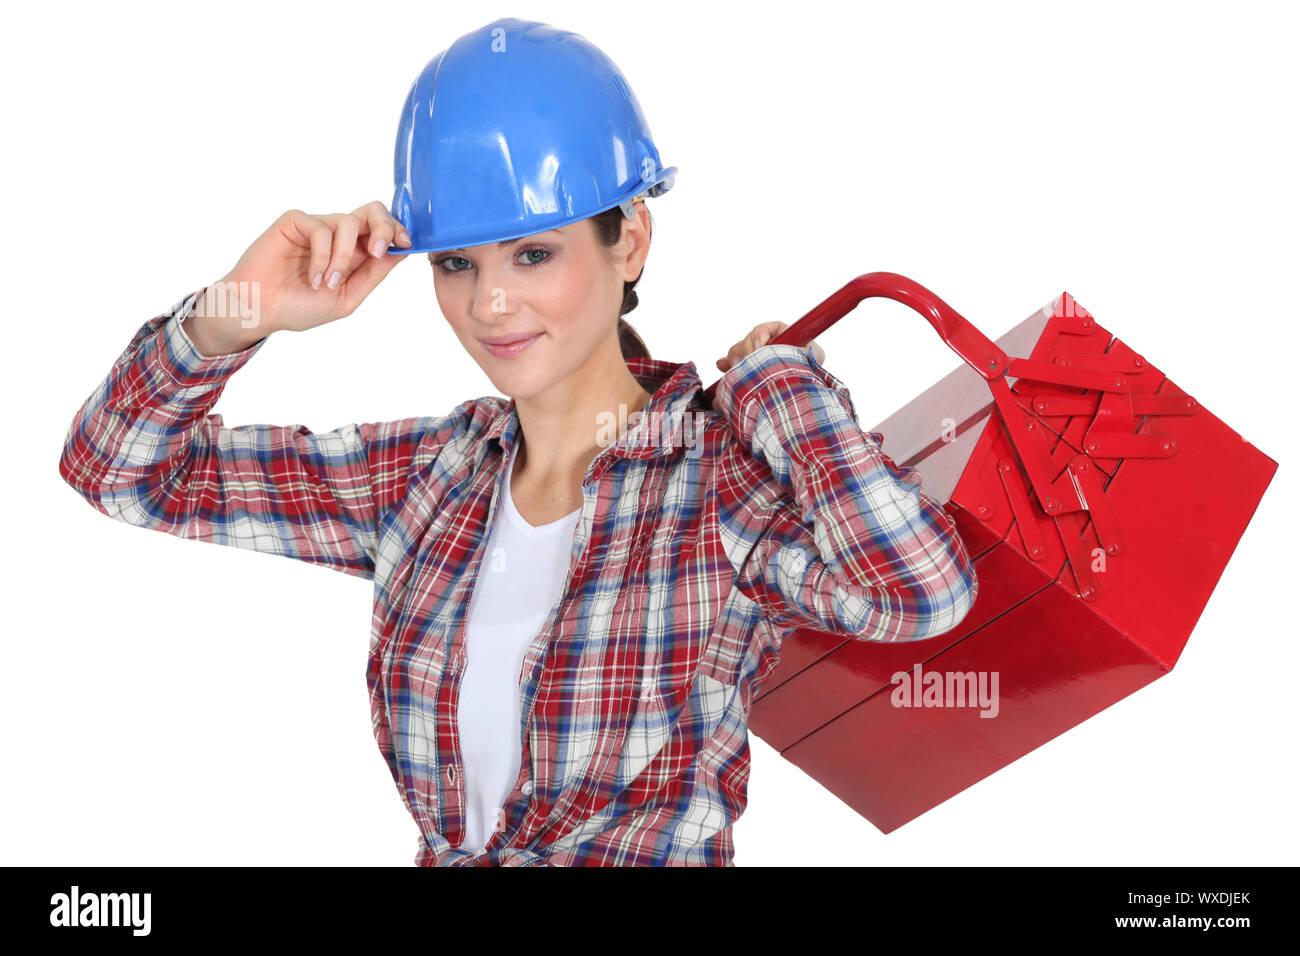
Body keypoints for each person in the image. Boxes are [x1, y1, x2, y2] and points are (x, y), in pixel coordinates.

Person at [57, 18, 978, 866]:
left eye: (533, 253)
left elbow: (920, 593)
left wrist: (781, 389)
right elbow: (120, 471)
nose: (489, 305)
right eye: (458, 264)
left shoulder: (718, 479)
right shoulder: (428, 478)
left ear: (631, 242)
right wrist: (235, 311)